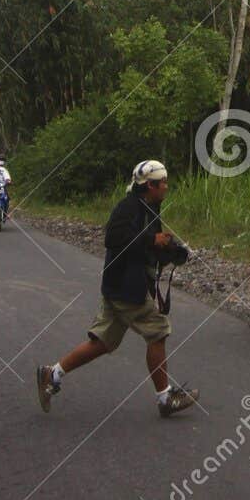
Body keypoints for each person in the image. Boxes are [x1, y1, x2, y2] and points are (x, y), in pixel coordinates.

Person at [36, 159, 197, 419]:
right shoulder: (128, 208)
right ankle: (165, 398)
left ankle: (51, 374)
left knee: (102, 342)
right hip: (125, 286)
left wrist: (167, 248)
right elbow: (113, 238)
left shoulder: (150, 207)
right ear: (150, 185)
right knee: (158, 331)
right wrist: (150, 239)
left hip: (118, 284)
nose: (167, 187)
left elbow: (143, 246)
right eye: (163, 183)